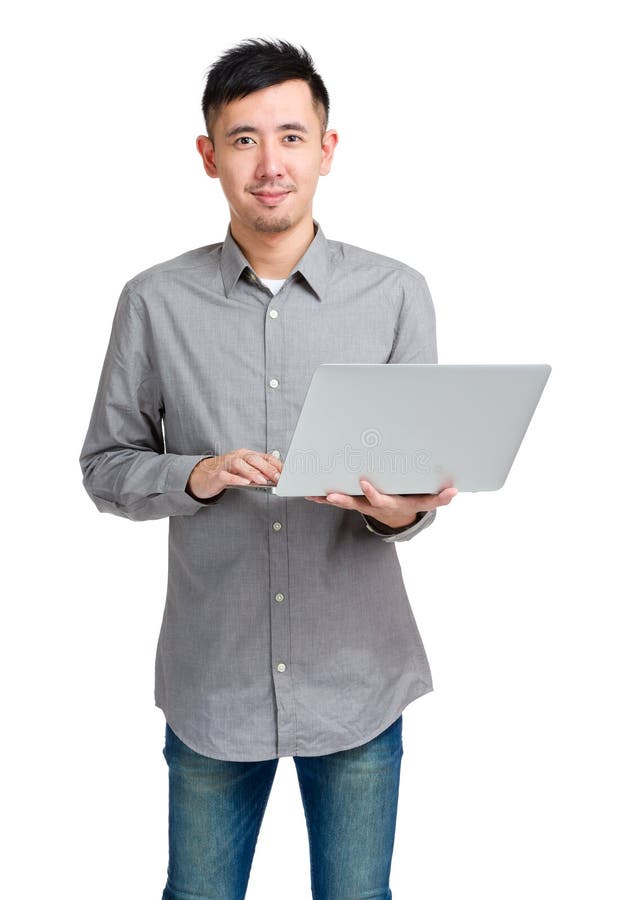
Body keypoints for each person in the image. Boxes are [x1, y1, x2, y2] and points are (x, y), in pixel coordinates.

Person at [79, 37, 457, 900]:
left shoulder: (397, 294)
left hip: (359, 673)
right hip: (215, 676)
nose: (270, 163)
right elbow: (105, 466)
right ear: (208, 155)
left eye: (291, 136)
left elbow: (412, 486)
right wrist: (196, 475)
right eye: (244, 139)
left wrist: (400, 510)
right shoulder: (154, 301)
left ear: (327, 149)